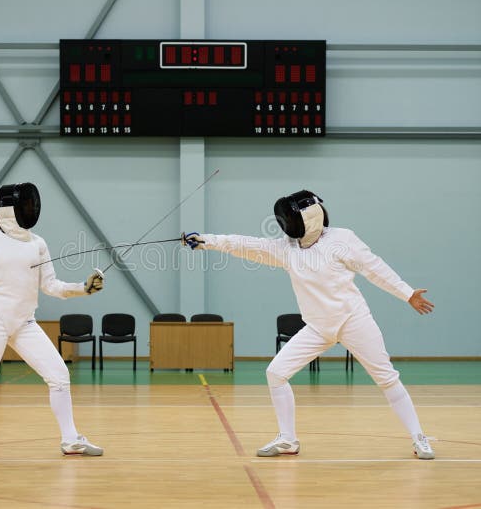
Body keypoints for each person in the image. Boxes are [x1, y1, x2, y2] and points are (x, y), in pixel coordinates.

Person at [183, 189, 436, 459]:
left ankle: (419, 437)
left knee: (386, 378)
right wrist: (206, 241)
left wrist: (406, 293)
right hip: (318, 327)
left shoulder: (342, 239)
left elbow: (374, 267)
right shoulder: (286, 249)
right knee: (276, 373)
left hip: (354, 320)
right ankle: (288, 439)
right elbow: (246, 244)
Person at [0, 182, 105, 457]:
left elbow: (51, 285)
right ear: (8, 209)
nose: (30, 210)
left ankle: (71, 438)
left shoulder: (37, 243)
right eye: (24, 205)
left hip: (24, 323)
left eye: (31, 205)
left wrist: (82, 288)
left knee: (59, 375)